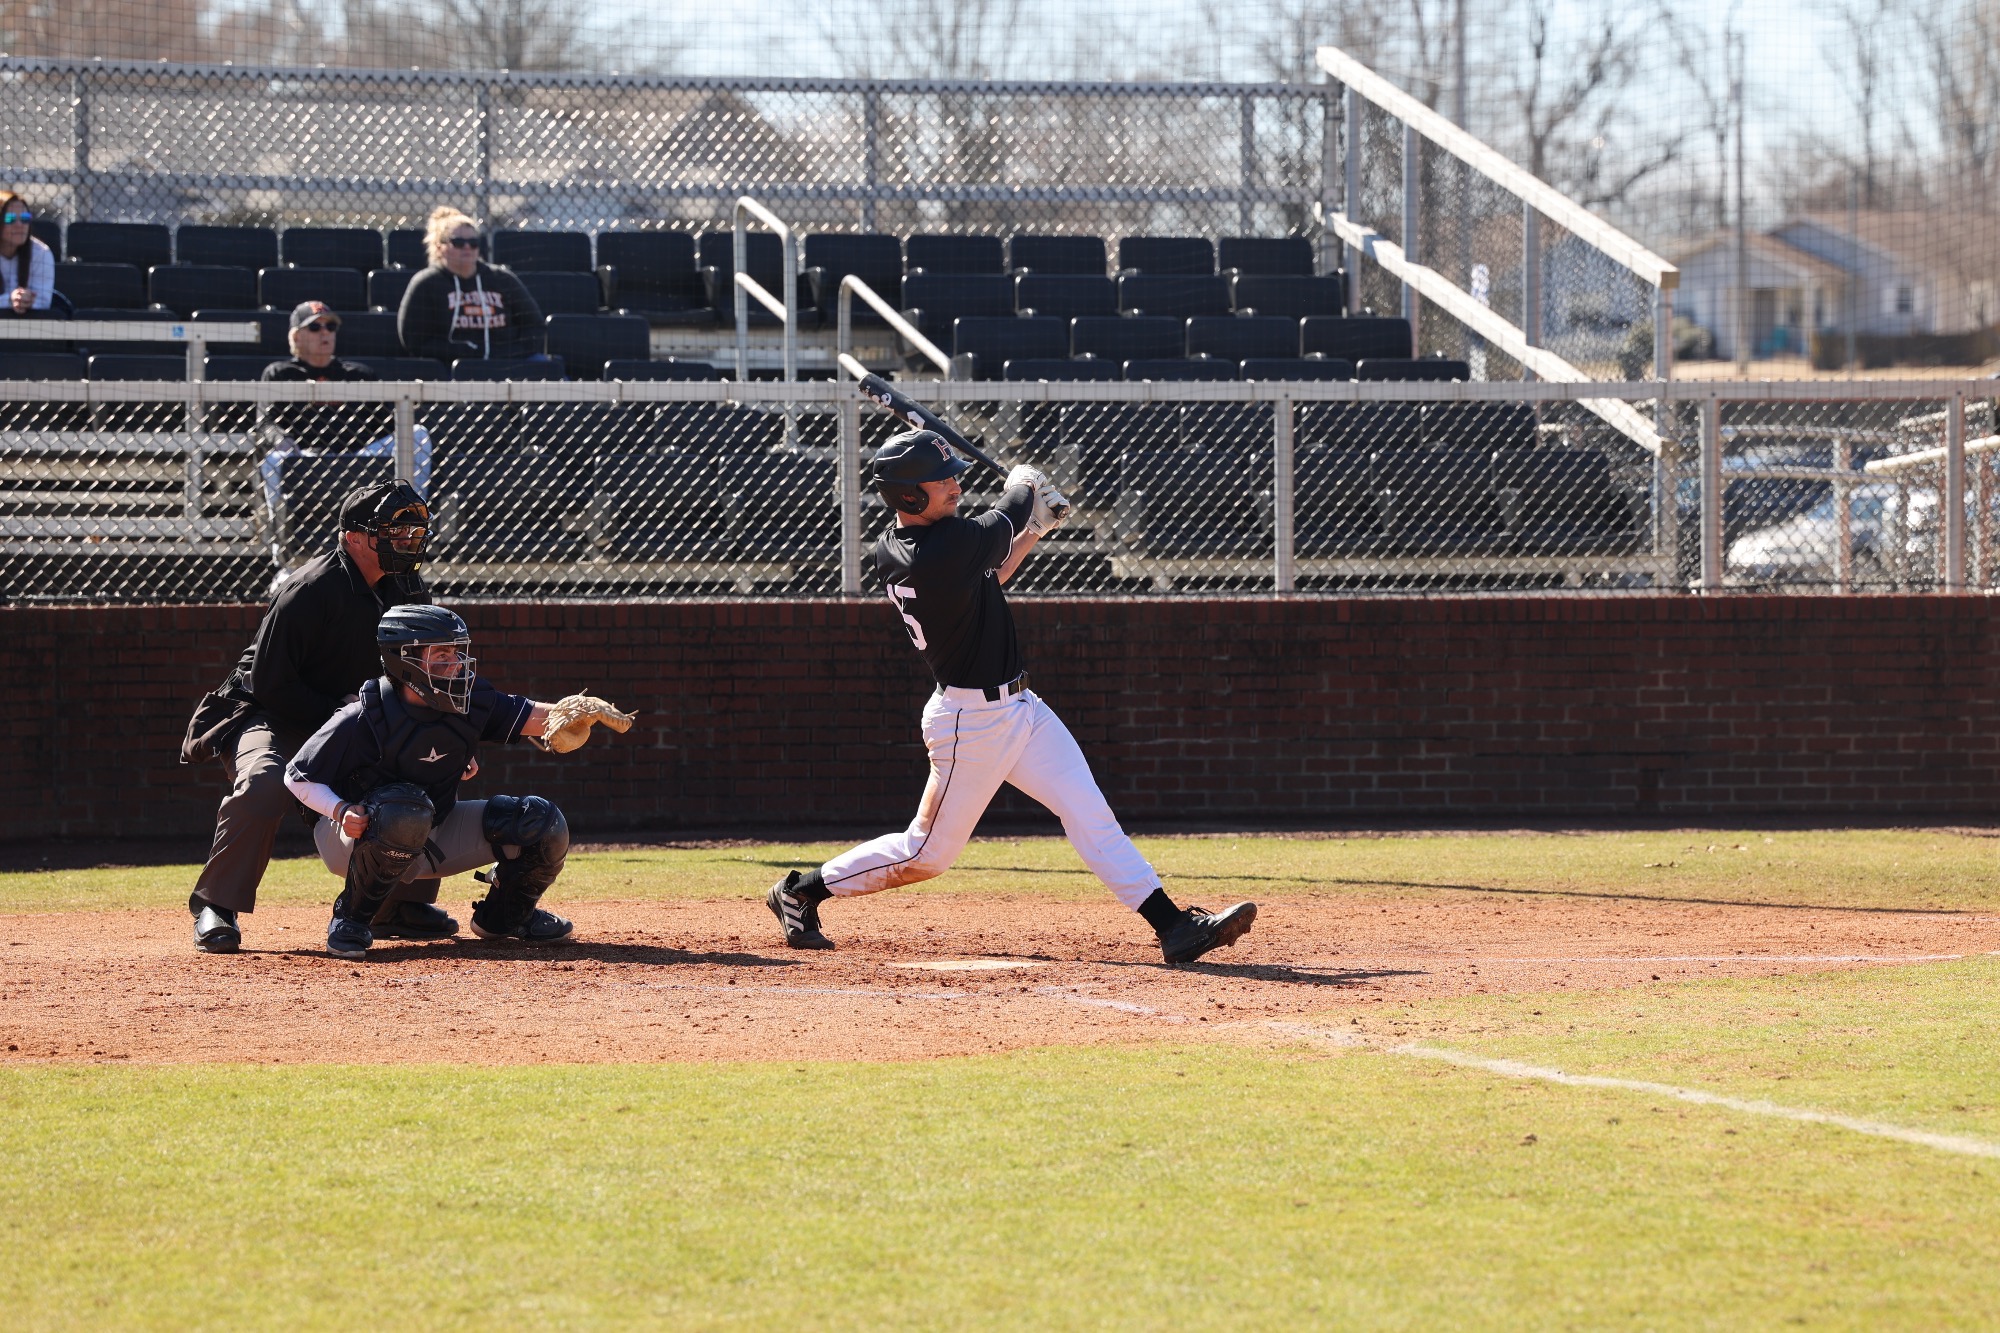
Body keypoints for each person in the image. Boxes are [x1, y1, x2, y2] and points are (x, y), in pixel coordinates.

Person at [767, 430, 1257, 966]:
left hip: (1021, 709)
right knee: (926, 854)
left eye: (953, 475)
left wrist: (1035, 530)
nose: (955, 485)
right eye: (942, 479)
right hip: (969, 721)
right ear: (908, 496)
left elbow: (988, 578)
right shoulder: (939, 549)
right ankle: (802, 891)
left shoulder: (908, 545)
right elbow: (1005, 512)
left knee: (1090, 815)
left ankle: (1175, 928)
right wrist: (1024, 483)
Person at [283, 604, 633, 959]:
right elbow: (297, 775)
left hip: (430, 826)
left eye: (457, 652)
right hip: (353, 837)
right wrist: (341, 810)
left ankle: (504, 918)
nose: (456, 664)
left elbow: (533, 717)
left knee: (541, 823)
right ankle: (351, 920)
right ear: (405, 661)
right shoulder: (365, 714)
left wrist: (572, 712)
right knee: (405, 810)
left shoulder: (469, 700)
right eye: (442, 655)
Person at [185, 481, 444, 953]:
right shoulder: (308, 589)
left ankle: (397, 904)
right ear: (354, 539)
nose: (407, 541)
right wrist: (342, 713)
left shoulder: (407, 588)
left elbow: (416, 670)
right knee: (266, 783)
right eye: (394, 531)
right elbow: (269, 683)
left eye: (412, 531)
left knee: (416, 770)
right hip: (272, 712)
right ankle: (215, 906)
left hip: (351, 714)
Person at [258, 300, 432, 512]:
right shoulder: (280, 374)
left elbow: (387, 426)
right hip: (304, 458)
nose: (325, 333)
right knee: (273, 459)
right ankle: (278, 532)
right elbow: (265, 422)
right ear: (296, 336)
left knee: (417, 435)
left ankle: (414, 514)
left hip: (359, 457)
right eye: (315, 327)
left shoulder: (358, 374)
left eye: (330, 327)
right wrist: (281, 439)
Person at [396, 207, 545, 365]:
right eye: (458, 243)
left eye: (473, 243)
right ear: (440, 247)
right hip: (449, 367)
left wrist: (508, 353)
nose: (467, 247)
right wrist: (467, 353)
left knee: (549, 370)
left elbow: (535, 325)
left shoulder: (502, 279)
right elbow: (414, 340)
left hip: (507, 362)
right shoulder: (426, 283)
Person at [0, 193, 55, 313]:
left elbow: (43, 301)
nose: (20, 225)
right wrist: (9, 300)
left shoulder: (41, 253)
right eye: (10, 219)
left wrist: (25, 301)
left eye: (25, 218)